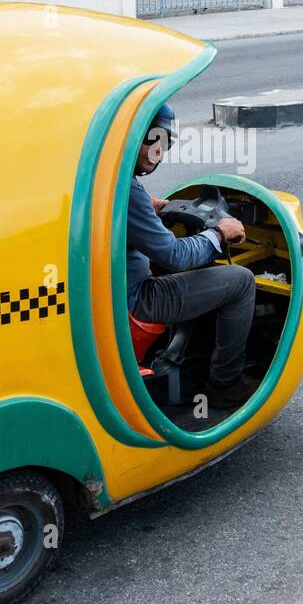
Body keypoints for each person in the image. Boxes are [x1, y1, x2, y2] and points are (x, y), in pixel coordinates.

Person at [127, 104, 257, 407]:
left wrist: (150, 206)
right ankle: (225, 384)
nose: (158, 151)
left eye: (164, 144)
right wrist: (219, 234)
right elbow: (175, 255)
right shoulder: (127, 192)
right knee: (241, 281)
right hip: (134, 299)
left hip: (102, 296)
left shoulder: (105, 181)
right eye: (154, 139)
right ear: (133, 136)